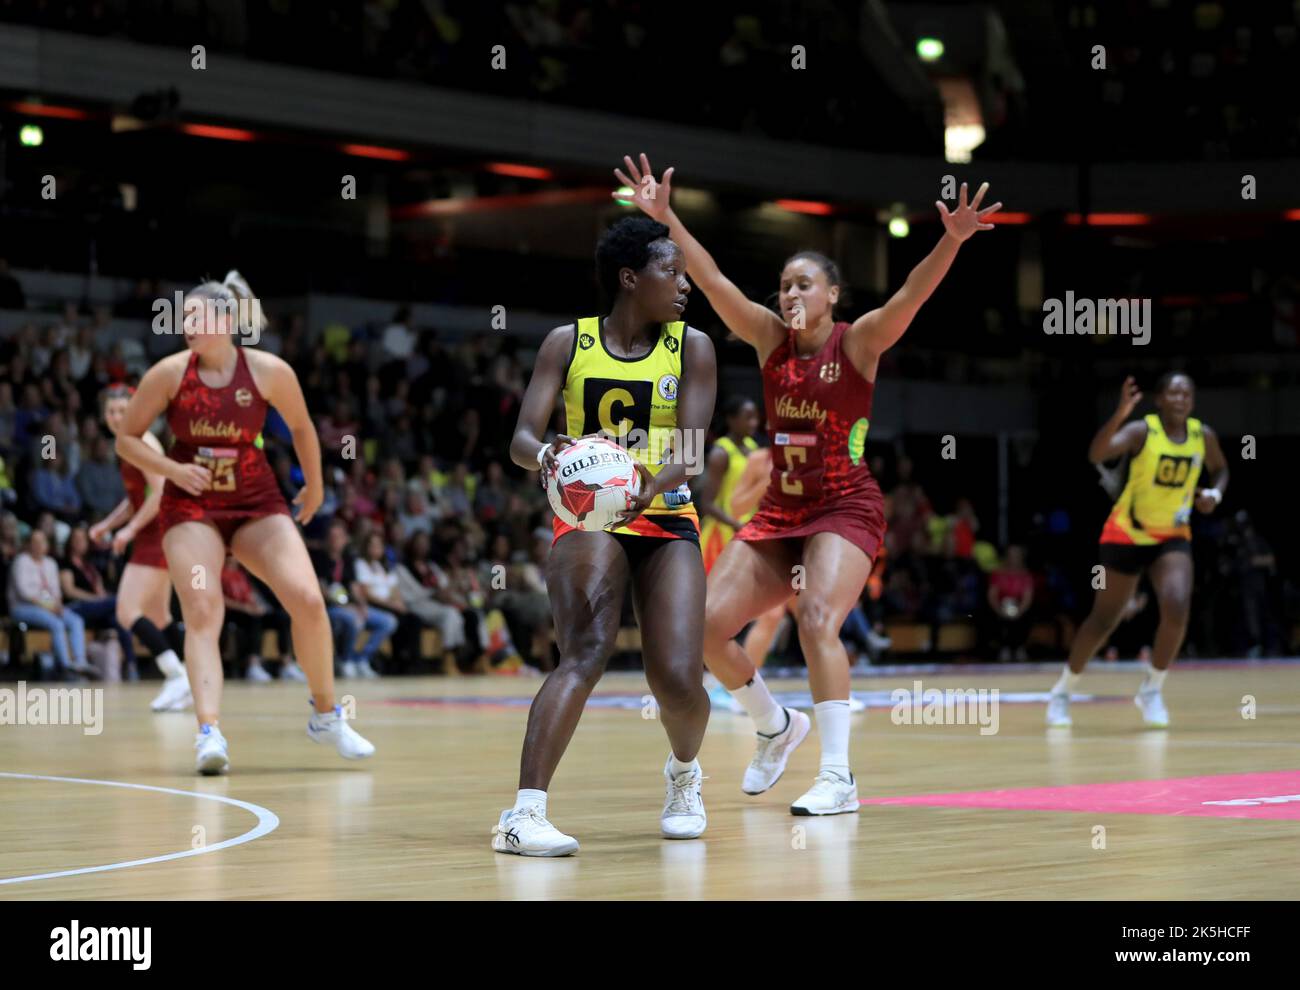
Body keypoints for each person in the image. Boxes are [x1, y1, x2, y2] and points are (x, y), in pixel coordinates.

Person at [617, 153, 1000, 814]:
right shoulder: (769, 340)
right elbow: (710, 281)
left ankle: (839, 776)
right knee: (702, 629)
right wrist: (664, 216)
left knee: (818, 617)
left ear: (831, 297)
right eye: (784, 285)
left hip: (844, 509)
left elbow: (911, 293)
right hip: (779, 514)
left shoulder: (859, 343)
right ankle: (775, 725)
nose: (789, 295)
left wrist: (952, 239)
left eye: (802, 285)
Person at [491, 214, 717, 856]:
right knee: (585, 649)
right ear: (630, 277)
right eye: (671, 272)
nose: (683, 285)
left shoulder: (692, 347)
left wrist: (651, 479)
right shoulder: (567, 342)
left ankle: (683, 774)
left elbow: (695, 449)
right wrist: (549, 457)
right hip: (588, 515)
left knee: (676, 677)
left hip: (665, 509)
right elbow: (521, 439)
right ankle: (522, 815)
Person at [115, 270, 374, 773]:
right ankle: (209, 732)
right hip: (192, 504)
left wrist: (316, 487)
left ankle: (326, 715)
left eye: (197, 315)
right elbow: (127, 438)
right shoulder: (168, 373)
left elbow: (301, 427)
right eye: (183, 315)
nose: (186, 323)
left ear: (227, 320)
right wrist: (171, 470)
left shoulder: (269, 370)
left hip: (255, 497)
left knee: (307, 599)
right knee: (203, 608)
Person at [1046, 373, 1228, 728]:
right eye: (1173, 392)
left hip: (1171, 536)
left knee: (1176, 605)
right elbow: (1096, 453)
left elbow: (1220, 469)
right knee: (1104, 620)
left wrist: (1214, 494)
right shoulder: (1142, 431)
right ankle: (1063, 690)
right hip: (1126, 534)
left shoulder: (1202, 436)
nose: (1181, 398)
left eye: (1187, 393)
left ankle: (1152, 688)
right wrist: (1120, 413)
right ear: (1159, 399)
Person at [92, 383, 191, 711]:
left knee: (126, 611)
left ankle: (175, 675)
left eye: (123, 410)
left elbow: (160, 492)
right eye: (111, 411)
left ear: (136, 410)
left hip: (158, 533)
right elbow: (137, 499)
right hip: (158, 532)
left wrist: (129, 531)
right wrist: (109, 525)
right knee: (158, 615)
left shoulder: (143, 441)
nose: (116, 417)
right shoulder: (127, 443)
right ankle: (191, 677)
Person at [8, 530, 90, 678]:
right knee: (56, 624)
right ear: (29, 545)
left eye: (42, 542)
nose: (39, 546)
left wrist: (56, 605)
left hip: (49, 607)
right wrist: (49, 606)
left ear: (47, 545)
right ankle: (66, 666)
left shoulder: (50, 563)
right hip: (23, 607)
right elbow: (25, 593)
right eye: (35, 542)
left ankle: (80, 662)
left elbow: (55, 592)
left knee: (75, 620)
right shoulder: (21, 561)